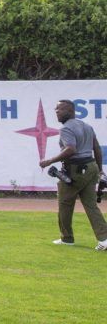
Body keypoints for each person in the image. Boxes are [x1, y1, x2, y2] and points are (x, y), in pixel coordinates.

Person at [38, 99, 107, 250]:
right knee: (91, 205)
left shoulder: (66, 128)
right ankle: (104, 239)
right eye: (56, 109)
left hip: (75, 170)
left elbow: (71, 149)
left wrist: (49, 161)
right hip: (91, 167)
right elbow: (96, 147)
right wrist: (100, 169)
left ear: (70, 111)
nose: (56, 112)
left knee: (65, 204)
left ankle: (67, 238)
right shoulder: (87, 126)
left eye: (60, 109)